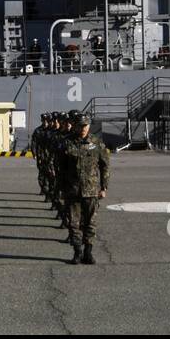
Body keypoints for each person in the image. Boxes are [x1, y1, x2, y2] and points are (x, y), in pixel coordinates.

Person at [60, 111, 110, 265]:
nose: (83, 128)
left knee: (90, 222)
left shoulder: (96, 143)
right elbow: (60, 167)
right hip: (72, 190)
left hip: (92, 190)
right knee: (73, 223)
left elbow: (105, 166)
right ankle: (77, 252)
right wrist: (61, 188)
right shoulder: (67, 143)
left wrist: (104, 187)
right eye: (80, 125)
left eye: (86, 125)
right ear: (75, 125)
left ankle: (88, 252)